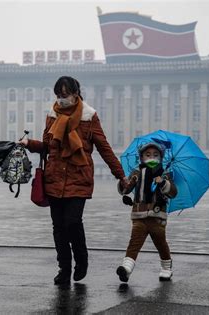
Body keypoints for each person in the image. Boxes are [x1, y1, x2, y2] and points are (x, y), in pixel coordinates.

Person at [20, 76, 127, 285]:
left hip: (79, 177)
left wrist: (120, 175)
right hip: (54, 178)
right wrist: (28, 143)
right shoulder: (52, 115)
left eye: (65, 94)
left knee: (72, 221)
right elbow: (47, 145)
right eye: (58, 95)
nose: (61, 99)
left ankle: (82, 260)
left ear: (76, 94)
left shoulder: (89, 117)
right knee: (58, 226)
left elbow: (104, 148)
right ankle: (64, 269)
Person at [116, 142, 178, 282]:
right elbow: (125, 190)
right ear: (142, 157)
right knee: (134, 242)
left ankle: (166, 268)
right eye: (148, 155)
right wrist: (123, 182)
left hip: (157, 217)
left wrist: (162, 182)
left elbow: (173, 193)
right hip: (139, 216)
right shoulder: (137, 172)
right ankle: (126, 269)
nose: (152, 158)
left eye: (155, 155)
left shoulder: (165, 173)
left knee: (161, 243)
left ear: (161, 158)